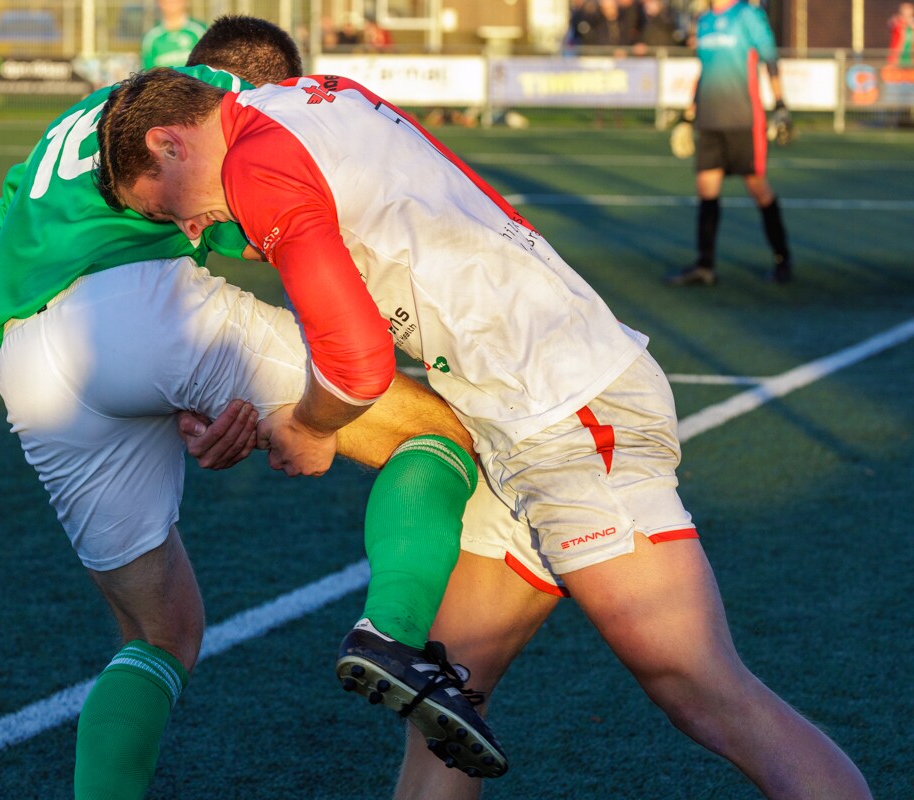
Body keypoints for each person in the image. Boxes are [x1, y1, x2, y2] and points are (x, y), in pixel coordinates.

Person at [97, 68, 873, 800]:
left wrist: (307, 426)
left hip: (566, 408)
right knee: (440, 707)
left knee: (702, 689)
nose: (193, 226)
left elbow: (358, 362)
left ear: (172, 141)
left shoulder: (254, 167)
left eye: (169, 206)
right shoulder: (304, 96)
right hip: (517, 413)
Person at [0, 16, 515, 796]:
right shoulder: (244, 105)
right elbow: (276, 231)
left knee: (160, 634)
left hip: (30, 364)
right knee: (437, 433)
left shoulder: (83, 117)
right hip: (142, 309)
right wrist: (170, 362)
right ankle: (394, 633)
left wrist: (170, 388)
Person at [667, 0, 793, 287]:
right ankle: (705, 265)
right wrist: (689, 116)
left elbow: (770, 59)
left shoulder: (748, 15)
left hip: (744, 121)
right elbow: (704, 72)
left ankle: (782, 258)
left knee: (758, 188)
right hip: (710, 121)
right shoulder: (705, 21)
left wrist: (781, 105)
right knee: (706, 190)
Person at [140, 0, 206, 70]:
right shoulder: (151, 38)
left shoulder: (199, 31)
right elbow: (148, 73)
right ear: (159, 2)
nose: (171, 2)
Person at [889, 2, 914, 67]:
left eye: (909, 9)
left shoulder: (912, 22)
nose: (907, 12)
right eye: (905, 9)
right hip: (900, 51)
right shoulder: (898, 20)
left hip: (910, 51)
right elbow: (891, 24)